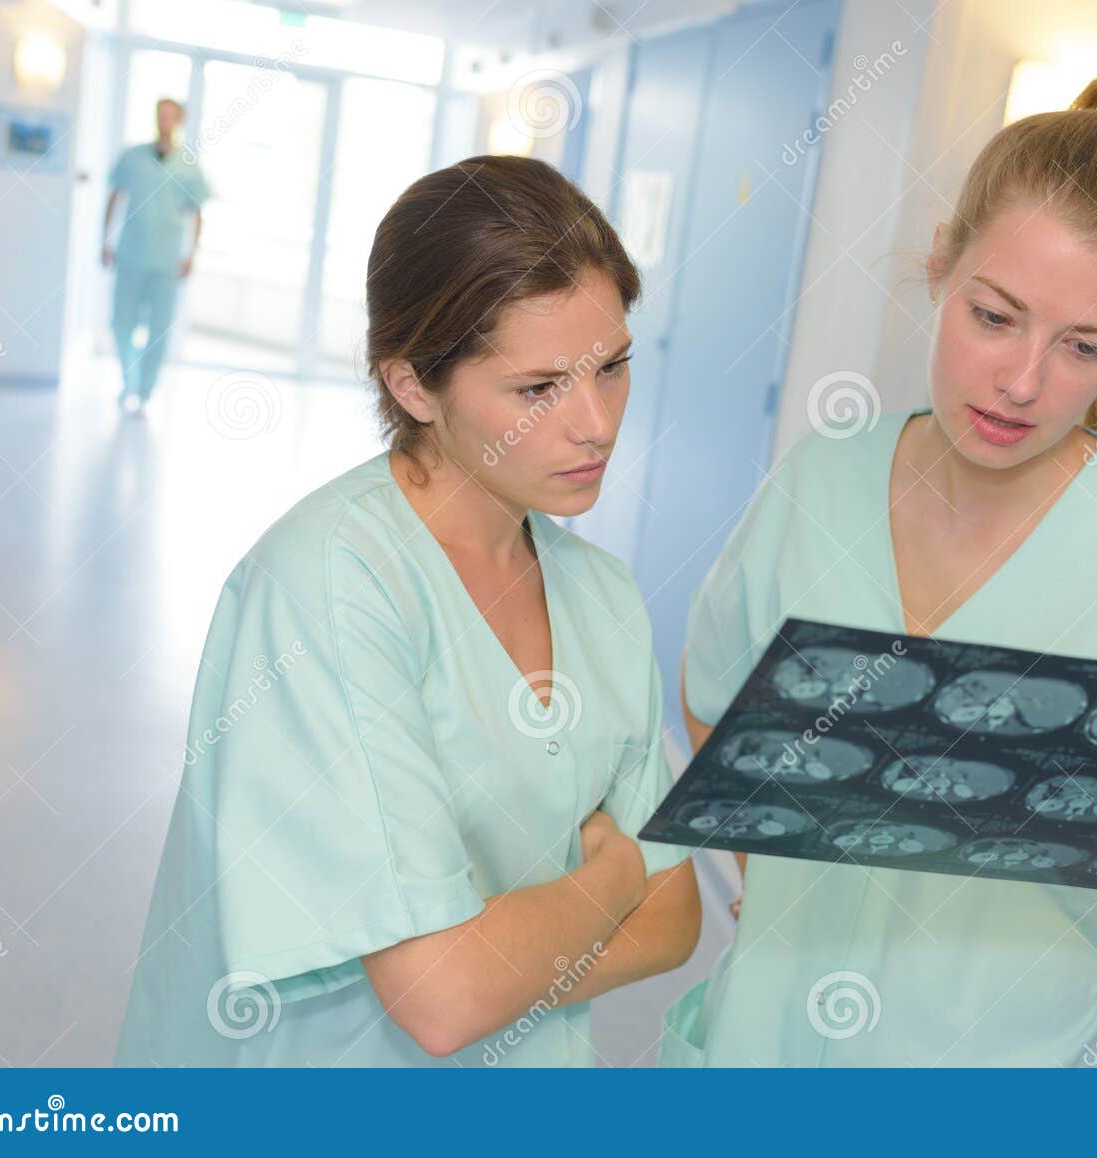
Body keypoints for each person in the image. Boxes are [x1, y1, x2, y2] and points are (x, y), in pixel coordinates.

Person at [660, 70, 1097, 1067]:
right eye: (994, 316)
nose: (1023, 382)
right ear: (941, 263)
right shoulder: (817, 484)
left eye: (1084, 346)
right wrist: (789, 902)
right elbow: (712, 705)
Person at [117, 156, 698, 1066]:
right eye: (539, 387)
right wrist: (613, 878)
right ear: (413, 386)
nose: (597, 422)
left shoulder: (603, 597)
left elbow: (676, 922)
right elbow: (442, 999)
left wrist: (504, 954)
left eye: (613, 367)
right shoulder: (327, 588)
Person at [102, 98, 209, 415]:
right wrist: (105, 240)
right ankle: (129, 381)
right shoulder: (132, 157)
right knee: (121, 324)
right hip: (131, 254)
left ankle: (145, 391)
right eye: (159, 114)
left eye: (170, 116)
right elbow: (114, 198)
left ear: (179, 121)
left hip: (167, 261)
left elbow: (197, 213)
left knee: (159, 330)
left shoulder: (189, 164)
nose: (163, 120)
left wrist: (192, 254)